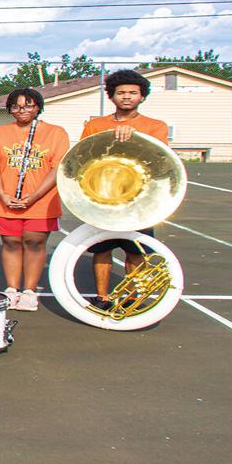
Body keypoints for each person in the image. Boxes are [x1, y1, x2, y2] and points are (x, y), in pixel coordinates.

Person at [79, 69, 171, 309]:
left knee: (136, 250)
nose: (127, 97)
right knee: (102, 248)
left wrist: (135, 136)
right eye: (121, 92)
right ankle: (102, 297)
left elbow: (159, 158)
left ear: (142, 96)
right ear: (111, 96)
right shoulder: (95, 125)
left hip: (138, 198)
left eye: (133, 92)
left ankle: (132, 296)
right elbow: (83, 156)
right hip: (104, 194)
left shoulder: (155, 126)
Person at [0, 87, 69, 311]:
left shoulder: (56, 133)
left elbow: (58, 168)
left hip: (41, 202)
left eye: (28, 105)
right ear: (10, 109)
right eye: (16, 106)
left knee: (34, 242)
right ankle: (12, 289)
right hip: (6, 201)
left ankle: (29, 291)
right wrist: (2, 193)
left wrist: (35, 195)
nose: (22, 110)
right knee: (10, 242)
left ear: (38, 107)